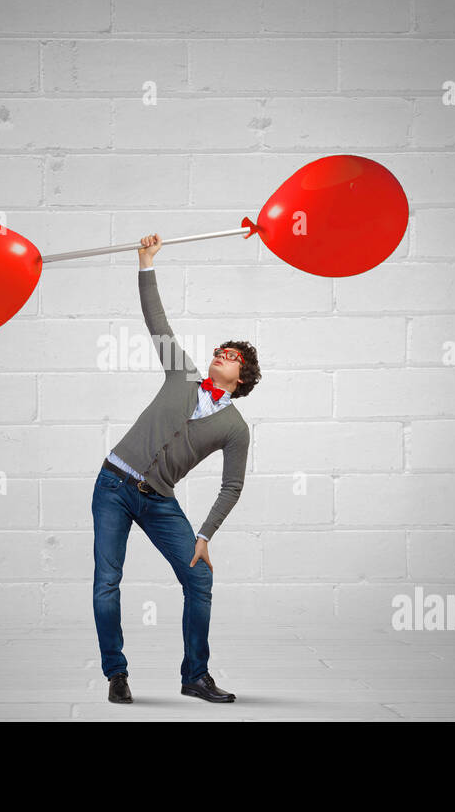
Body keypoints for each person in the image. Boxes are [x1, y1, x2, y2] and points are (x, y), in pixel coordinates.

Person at [92, 232, 261, 704]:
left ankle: (195, 676)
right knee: (108, 580)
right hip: (112, 484)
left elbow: (232, 487)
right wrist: (146, 263)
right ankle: (116, 674)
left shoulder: (235, 428)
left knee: (199, 578)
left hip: (158, 502)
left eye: (234, 357)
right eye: (222, 350)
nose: (223, 354)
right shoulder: (183, 373)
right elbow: (157, 321)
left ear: (242, 377)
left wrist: (204, 535)